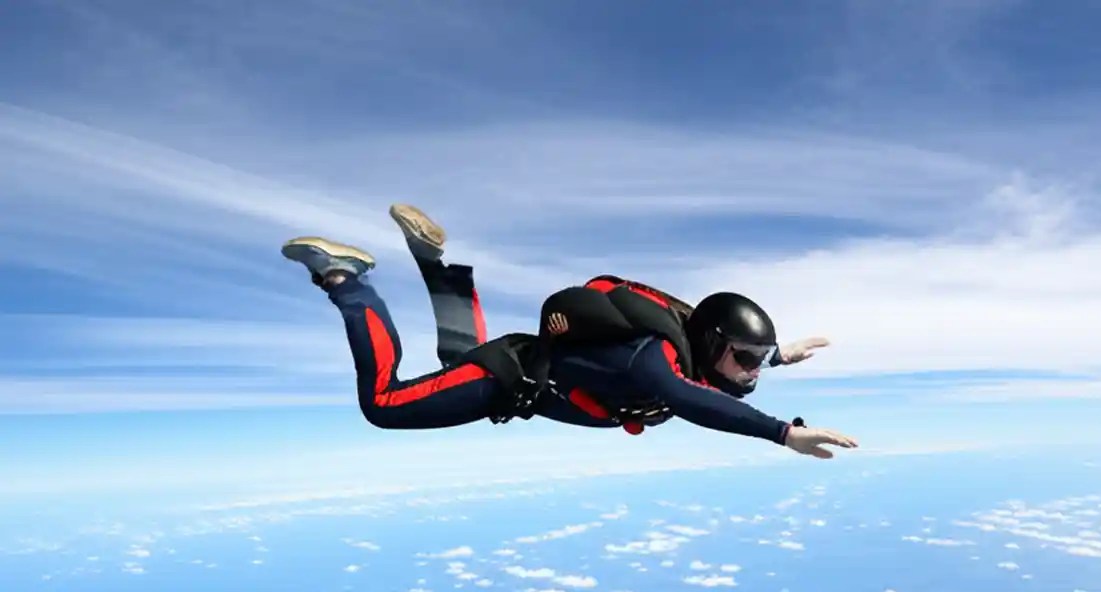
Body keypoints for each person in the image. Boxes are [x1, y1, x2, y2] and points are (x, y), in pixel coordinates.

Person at [281, 204, 859, 459]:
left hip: (515, 370)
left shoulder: (691, 344)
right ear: (711, 345)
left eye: (758, 358)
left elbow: (714, 374)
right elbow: (690, 399)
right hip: (505, 378)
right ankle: (345, 280)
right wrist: (784, 434)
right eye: (746, 356)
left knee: (457, 352)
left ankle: (434, 260)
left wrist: (780, 354)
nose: (753, 369)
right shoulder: (654, 361)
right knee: (384, 403)